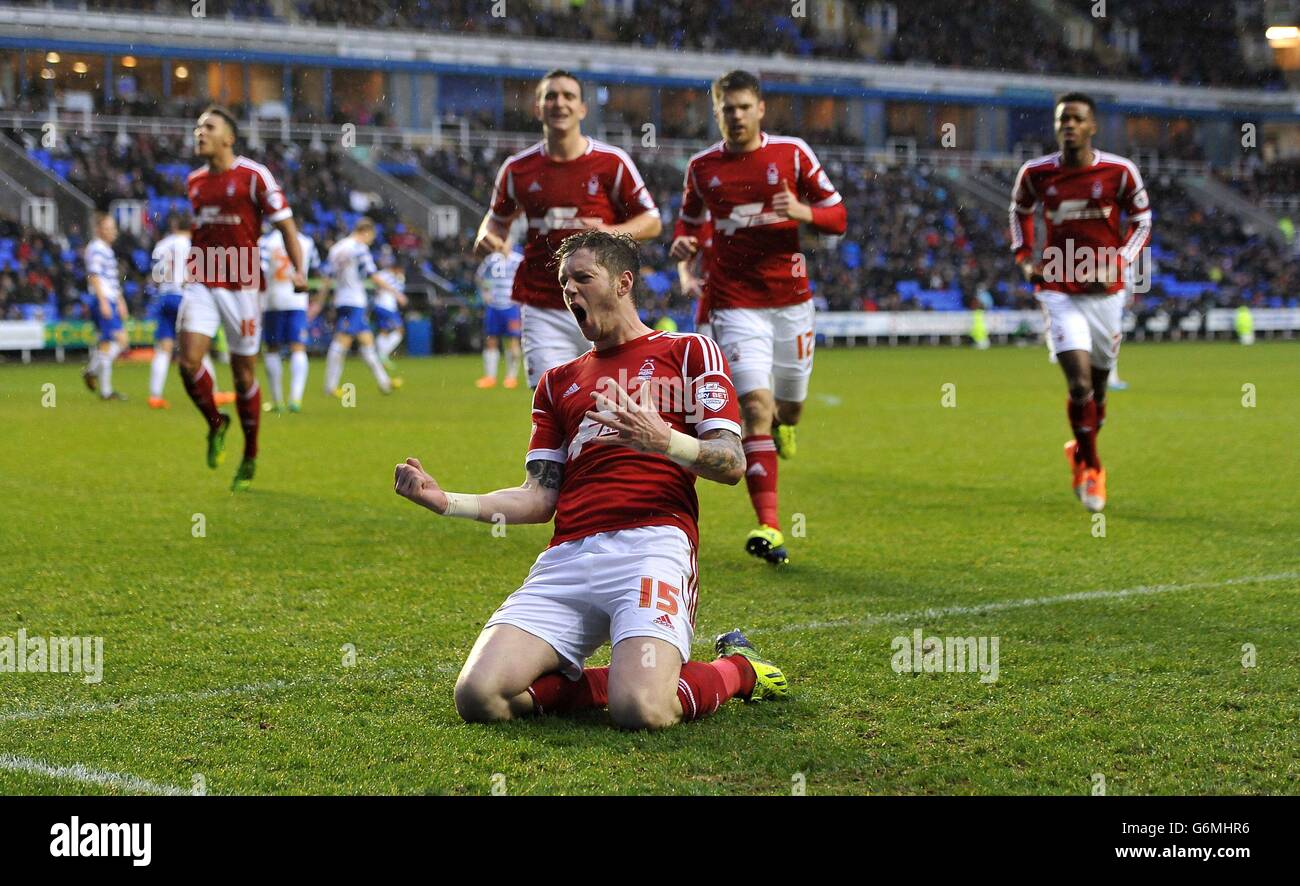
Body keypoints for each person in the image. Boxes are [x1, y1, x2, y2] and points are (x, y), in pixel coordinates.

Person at [394, 230, 789, 730]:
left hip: (653, 545)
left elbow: (731, 463)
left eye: (583, 277)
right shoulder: (557, 382)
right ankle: (609, 680)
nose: (570, 291)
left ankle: (737, 669)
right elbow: (539, 497)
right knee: (480, 697)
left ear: (624, 283)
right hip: (569, 556)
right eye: (564, 283)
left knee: (643, 709)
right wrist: (447, 500)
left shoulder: (689, 351)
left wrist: (666, 441)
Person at [671, 70, 847, 565]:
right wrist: (683, 246)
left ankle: (787, 424)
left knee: (787, 409)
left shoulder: (792, 154)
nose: (737, 115)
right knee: (754, 408)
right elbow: (687, 224)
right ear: (718, 111)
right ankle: (768, 525)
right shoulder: (703, 167)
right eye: (728, 108)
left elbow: (838, 216)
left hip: (791, 303)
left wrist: (804, 212)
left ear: (760, 109)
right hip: (734, 303)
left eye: (745, 107)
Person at [474, 69, 661, 389]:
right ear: (538, 108)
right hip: (542, 304)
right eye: (551, 96)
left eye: (568, 96)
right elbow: (496, 219)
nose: (559, 103)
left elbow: (652, 222)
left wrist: (611, 232)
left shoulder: (611, 162)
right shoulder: (517, 169)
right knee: (552, 403)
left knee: (611, 405)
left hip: (606, 304)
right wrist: (485, 237)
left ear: (582, 109)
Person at [1010, 92, 1152, 513]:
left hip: (1106, 295)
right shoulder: (1036, 173)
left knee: (1100, 388)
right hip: (1058, 290)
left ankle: (1081, 447)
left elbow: (1142, 220)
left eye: (1077, 119)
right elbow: (1019, 211)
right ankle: (1091, 467)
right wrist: (1024, 259)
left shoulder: (1119, 172)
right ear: (1056, 128)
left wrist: (1121, 262)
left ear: (1092, 127)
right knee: (1079, 382)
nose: (1069, 126)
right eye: (1062, 120)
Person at [176, 105, 305, 492]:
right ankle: (216, 422)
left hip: (243, 284)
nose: (200, 133)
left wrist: (299, 270)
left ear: (228, 138)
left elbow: (286, 226)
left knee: (243, 373)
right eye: (198, 127)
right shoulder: (195, 181)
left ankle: (250, 453)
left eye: (209, 127)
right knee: (187, 362)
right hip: (201, 279)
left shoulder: (254, 176)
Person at [320, 218, 402, 396]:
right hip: (354, 301)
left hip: (342, 299)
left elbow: (327, 276)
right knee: (342, 342)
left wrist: (320, 300)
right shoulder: (359, 248)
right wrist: (396, 293)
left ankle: (384, 383)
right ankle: (330, 386)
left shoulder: (337, 248)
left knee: (367, 343)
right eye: (371, 236)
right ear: (366, 232)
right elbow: (372, 275)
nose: (371, 240)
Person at [258, 223, 319, 413]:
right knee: (298, 348)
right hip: (297, 301)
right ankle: (296, 399)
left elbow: (260, 269)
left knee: (272, 349)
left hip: (272, 301)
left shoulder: (266, 242)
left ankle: (278, 401)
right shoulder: (306, 242)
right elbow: (316, 267)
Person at [82, 213, 129, 401]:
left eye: (113, 228)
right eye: (108, 228)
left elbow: (110, 279)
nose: (113, 232)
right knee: (116, 341)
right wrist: (103, 301)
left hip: (109, 298)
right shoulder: (96, 248)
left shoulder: (106, 250)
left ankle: (93, 373)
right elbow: (93, 276)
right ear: (99, 230)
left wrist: (120, 300)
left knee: (110, 343)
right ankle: (104, 389)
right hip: (102, 299)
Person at [474, 242, 524, 388]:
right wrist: (485, 293)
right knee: (491, 340)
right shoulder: (491, 259)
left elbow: (527, 278)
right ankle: (490, 377)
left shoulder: (518, 260)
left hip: (511, 308)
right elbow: (480, 277)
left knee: (513, 341)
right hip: (494, 307)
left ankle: (511, 377)